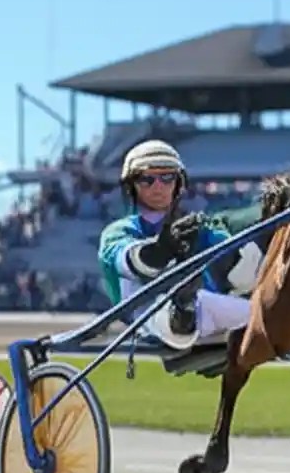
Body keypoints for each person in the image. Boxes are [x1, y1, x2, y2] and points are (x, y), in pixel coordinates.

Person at [98, 140, 259, 351]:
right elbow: (125, 259)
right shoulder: (118, 231)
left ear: (178, 183)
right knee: (170, 308)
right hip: (146, 315)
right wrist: (160, 250)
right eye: (146, 179)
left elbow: (234, 255)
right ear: (131, 186)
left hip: (207, 307)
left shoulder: (196, 227)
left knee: (250, 262)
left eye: (167, 177)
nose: (158, 187)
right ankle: (182, 314)